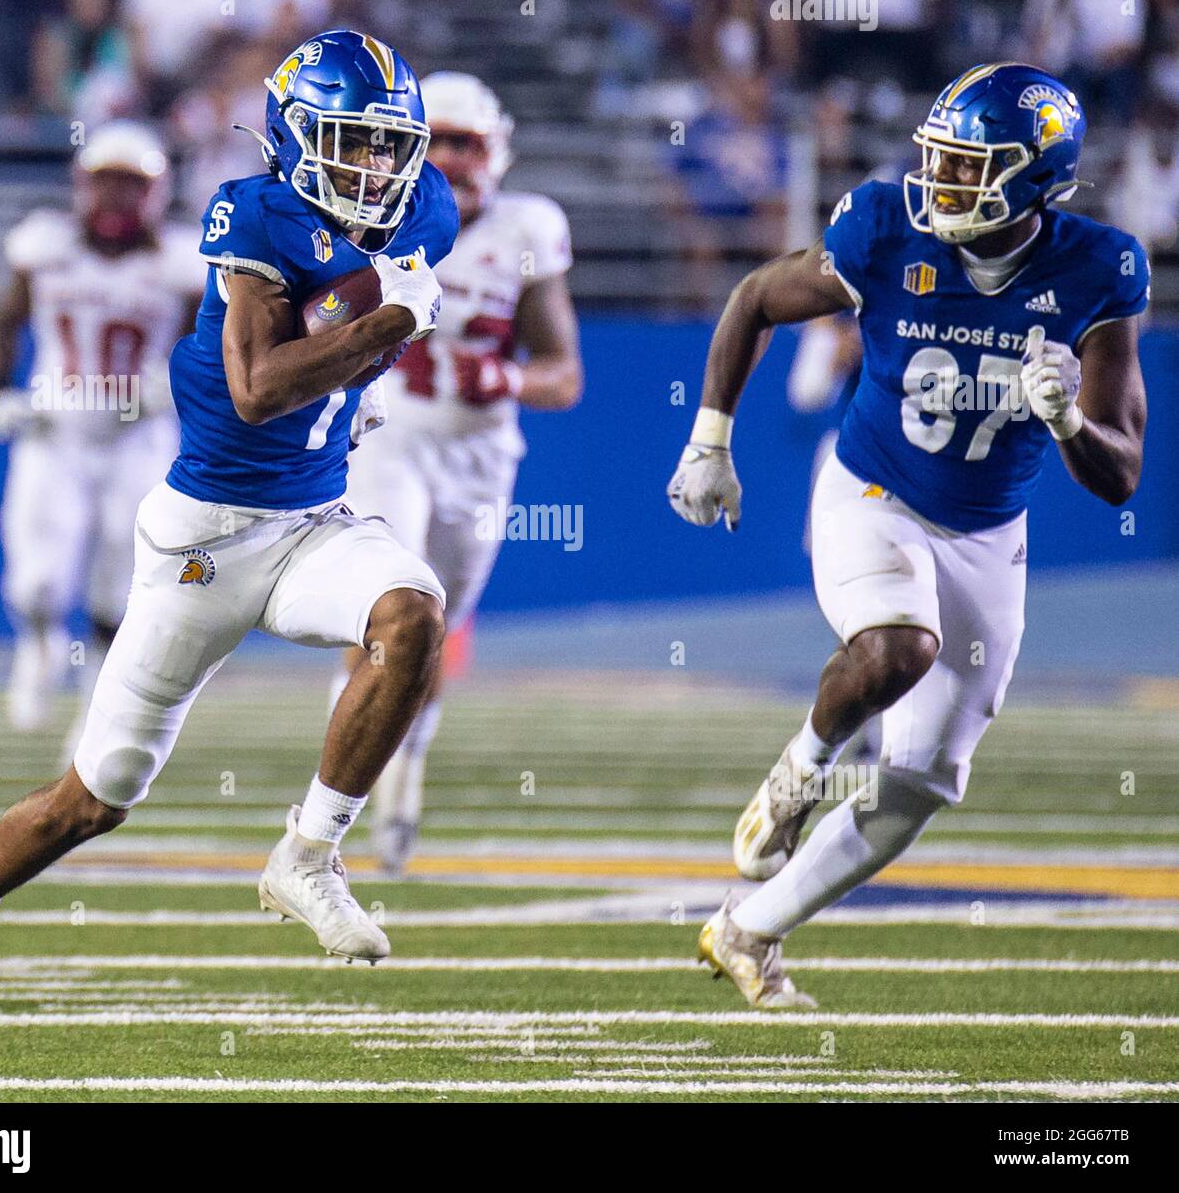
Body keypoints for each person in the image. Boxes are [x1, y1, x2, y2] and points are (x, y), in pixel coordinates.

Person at [0, 30, 458, 1059]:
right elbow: (258, 387)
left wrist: (374, 306)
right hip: (203, 542)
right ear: (293, 135)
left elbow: (379, 274)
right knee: (90, 800)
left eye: (388, 147)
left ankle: (310, 853)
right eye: (351, 143)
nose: (375, 169)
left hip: (314, 521)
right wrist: (387, 323)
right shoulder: (251, 211)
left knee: (411, 616)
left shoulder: (424, 208)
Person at [667, 64, 1148, 1008]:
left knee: (924, 777)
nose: (943, 184)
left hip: (986, 532)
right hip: (872, 489)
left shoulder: (1099, 266)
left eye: (972, 167)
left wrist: (1065, 423)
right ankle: (802, 769)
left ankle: (748, 930)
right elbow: (758, 296)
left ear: (1037, 179)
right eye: (941, 159)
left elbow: (1120, 471)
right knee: (899, 645)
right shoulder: (888, 225)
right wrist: (709, 440)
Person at [340, 71, 583, 874]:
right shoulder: (366, 220)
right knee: (391, 601)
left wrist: (506, 379)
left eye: (464, 143)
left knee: (434, 630)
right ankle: (344, 792)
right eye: (434, 142)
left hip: (480, 452)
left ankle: (407, 761)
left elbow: (563, 373)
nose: (449, 159)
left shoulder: (528, 227)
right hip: (388, 438)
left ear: (496, 150)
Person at [0, 122, 202, 750]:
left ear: (155, 192)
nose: (116, 199)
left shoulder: (177, 263)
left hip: (138, 438)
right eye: (106, 183)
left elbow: (207, 347)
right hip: (57, 435)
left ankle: (96, 700)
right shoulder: (46, 247)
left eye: (131, 186)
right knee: (38, 581)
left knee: (123, 578)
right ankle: (40, 639)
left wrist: (176, 382)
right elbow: (5, 319)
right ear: (82, 185)